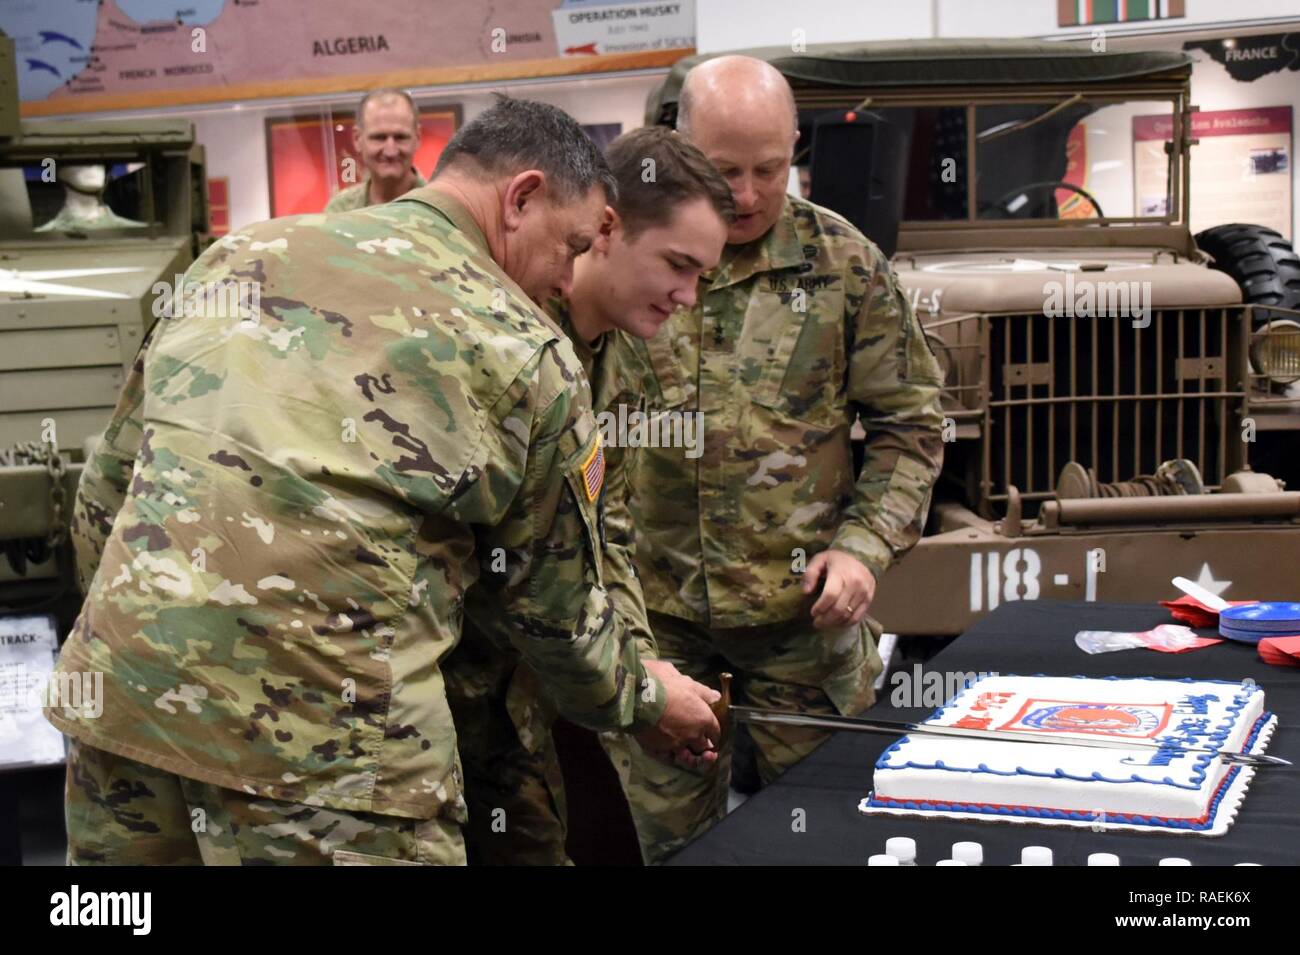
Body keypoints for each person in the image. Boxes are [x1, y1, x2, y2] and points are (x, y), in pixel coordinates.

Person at [49, 95, 719, 866]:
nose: (566, 278)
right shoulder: (520, 346)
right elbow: (554, 613)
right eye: (569, 246)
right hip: (328, 748)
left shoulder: (239, 256)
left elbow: (107, 491)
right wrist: (643, 697)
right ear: (522, 196)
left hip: (123, 705)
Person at [606, 55, 947, 863]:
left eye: (770, 167)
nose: (750, 195)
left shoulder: (845, 264)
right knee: (675, 847)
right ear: (678, 146)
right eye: (725, 171)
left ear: (797, 144)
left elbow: (909, 427)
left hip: (805, 628)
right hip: (661, 628)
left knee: (828, 843)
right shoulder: (627, 255)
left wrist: (864, 549)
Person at [446, 125, 735, 864]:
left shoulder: (623, 363)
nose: (688, 295)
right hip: (455, 699)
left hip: (539, 696)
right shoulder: (511, 346)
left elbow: (606, 542)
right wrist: (641, 694)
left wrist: (644, 672)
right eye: (677, 264)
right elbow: (536, 581)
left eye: (703, 273)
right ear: (604, 232)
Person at [324, 88, 425, 212]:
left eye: (400, 137)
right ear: (357, 139)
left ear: (418, 138)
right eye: (379, 138)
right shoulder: (341, 210)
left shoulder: (442, 208)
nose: (390, 151)